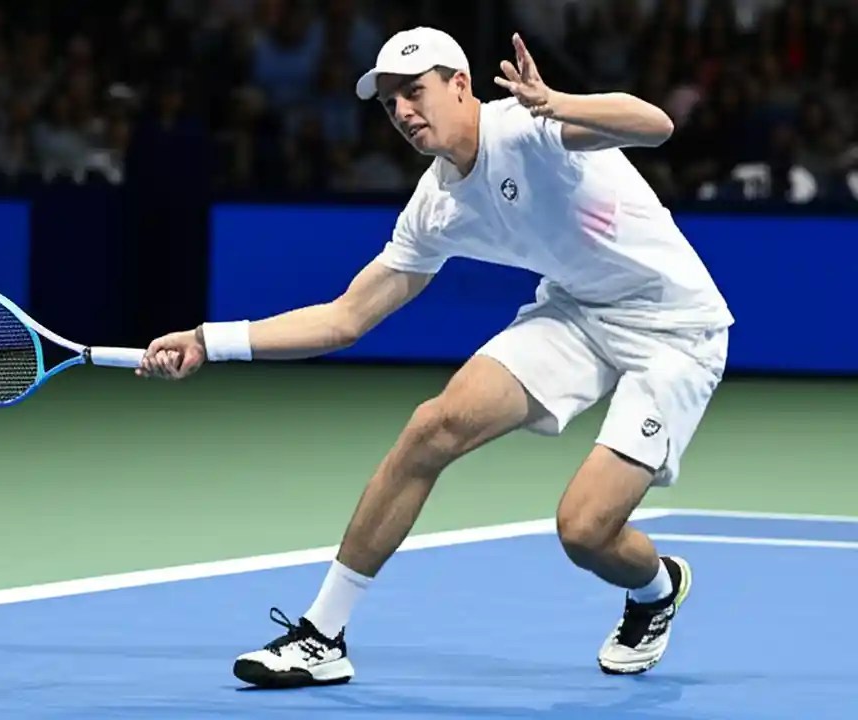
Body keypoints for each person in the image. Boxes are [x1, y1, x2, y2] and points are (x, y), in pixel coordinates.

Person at [136, 26, 733, 687]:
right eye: (390, 102)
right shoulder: (436, 206)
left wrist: (557, 102)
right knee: (431, 427)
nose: (402, 112)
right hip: (576, 311)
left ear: (460, 85)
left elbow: (656, 126)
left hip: (675, 329)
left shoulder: (528, 126)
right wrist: (208, 340)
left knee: (585, 531)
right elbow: (344, 319)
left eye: (414, 92)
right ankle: (322, 636)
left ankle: (655, 588)